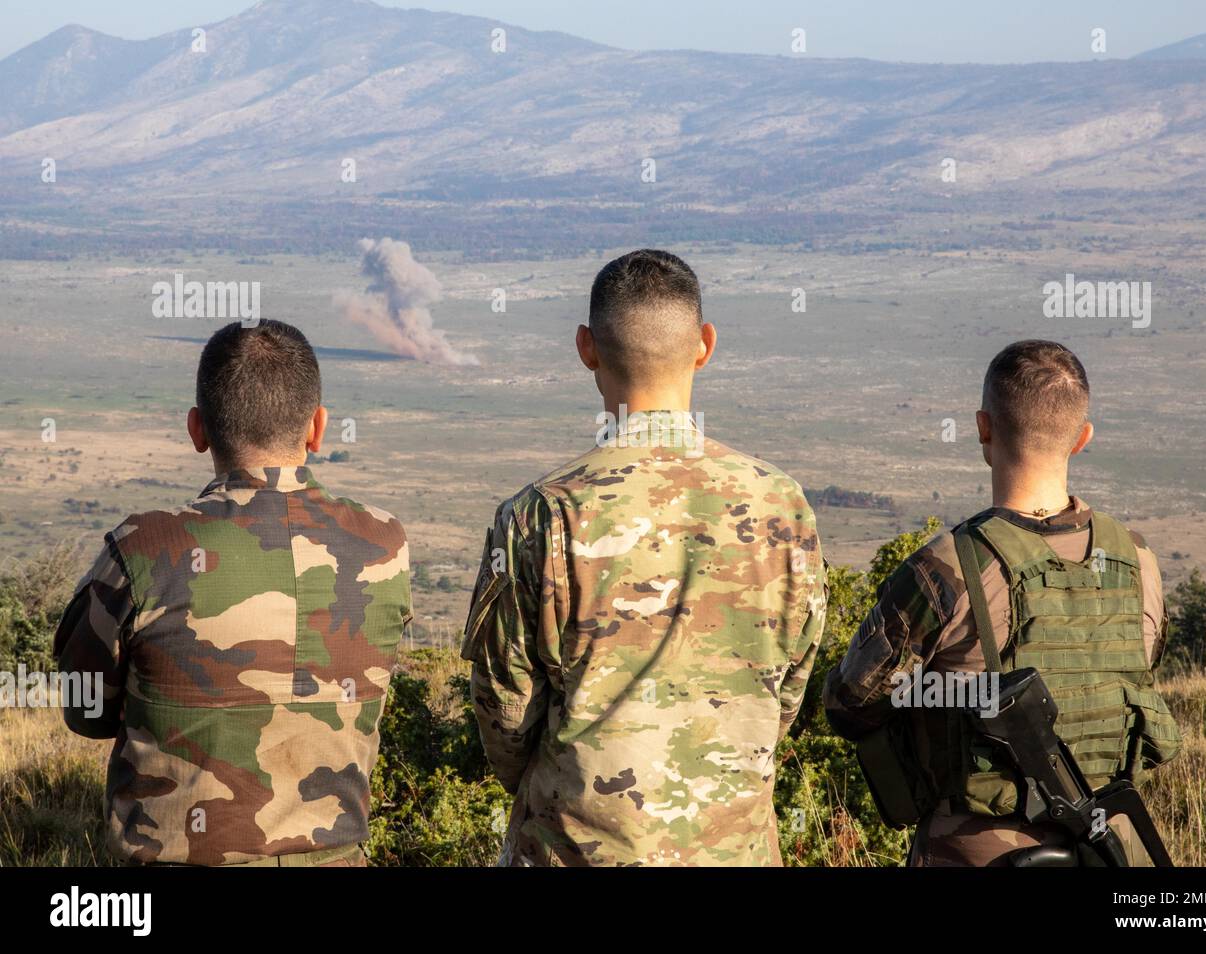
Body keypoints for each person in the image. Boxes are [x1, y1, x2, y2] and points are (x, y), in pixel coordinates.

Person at [462, 249, 827, 866]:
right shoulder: (783, 505)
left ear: (586, 347)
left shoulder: (539, 514)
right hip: (733, 847)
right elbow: (788, 687)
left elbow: (505, 711)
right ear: (705, 345)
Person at [53, 319, 411, 866]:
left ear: (198, 430)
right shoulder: (384, 544)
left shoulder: (146, 549)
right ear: (317, 429)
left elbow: (87, 712)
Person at [823, 339, 1181, 866]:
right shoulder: (1137, 559)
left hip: (978, 850)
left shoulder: (947, 567)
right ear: (1081, 439)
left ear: (983, 428)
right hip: (1113, 847)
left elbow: (851, 703)